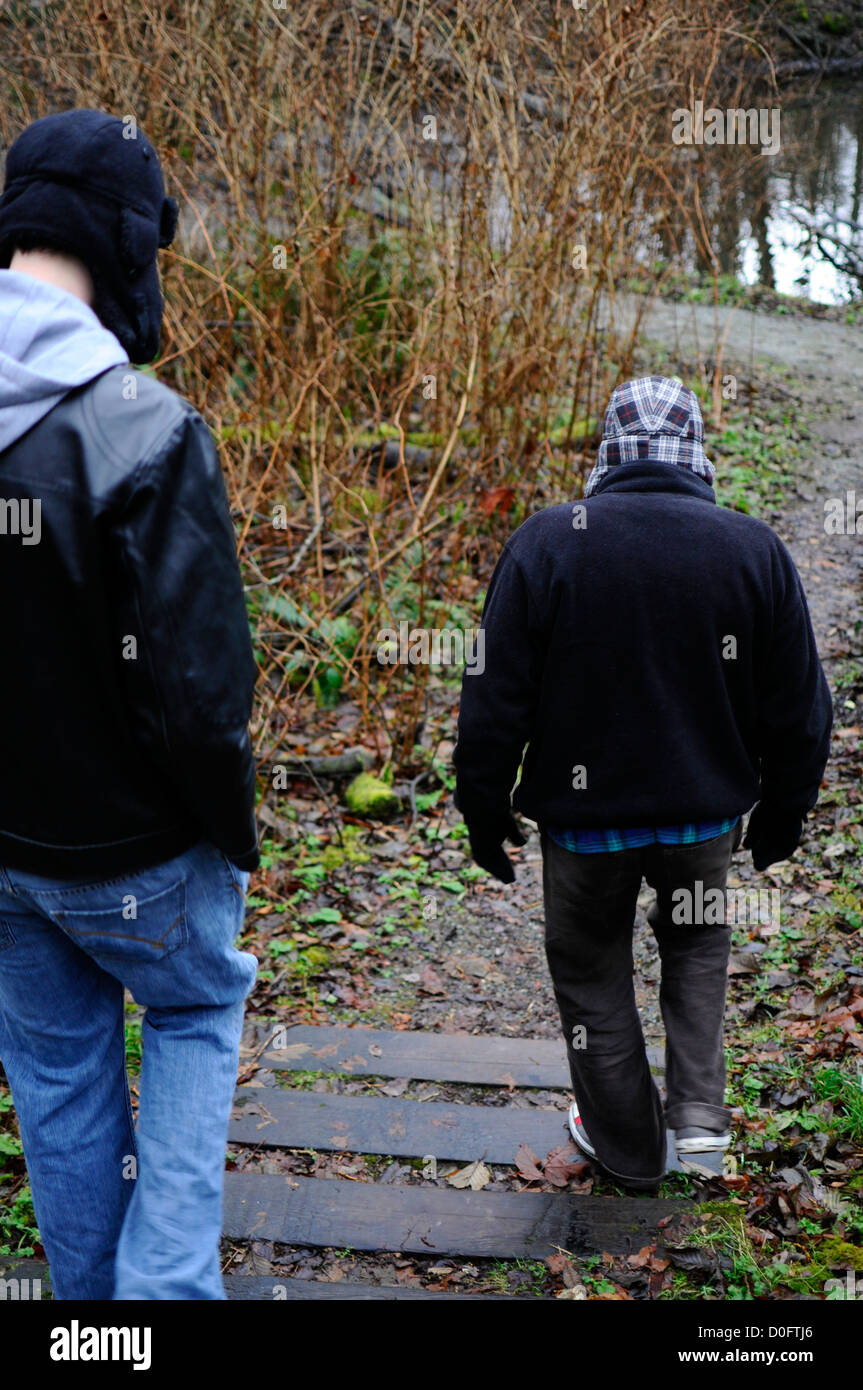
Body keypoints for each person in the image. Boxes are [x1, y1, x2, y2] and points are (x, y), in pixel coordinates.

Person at [454, 375, 832, 1190]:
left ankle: (628, 1152)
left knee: (592, 973)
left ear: (606, 452)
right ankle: (697, 1130)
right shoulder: (748, 547)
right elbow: (801, 706)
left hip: (586, 831)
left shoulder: (549, 542)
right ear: (695, 450)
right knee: (696, 952)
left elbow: (492, 698)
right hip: (703, 821)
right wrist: (781, 817)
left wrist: (482, 810)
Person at [0, 109, 259, 1298]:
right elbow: (199, 697)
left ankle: (96, 1327)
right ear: (125, 247)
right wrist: (228, 830)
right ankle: (163, 1303)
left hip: (5, 850)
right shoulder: (145, 431)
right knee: (200, 1007)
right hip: (139, 852)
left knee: (57, 1081)